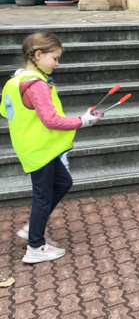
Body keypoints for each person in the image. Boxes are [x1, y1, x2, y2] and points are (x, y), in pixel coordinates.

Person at [0, 32, 102, 263]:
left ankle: (34, 228)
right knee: (43, 197)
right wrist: (82, 121)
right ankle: (35, 246)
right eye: (55, 58)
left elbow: (5, 112)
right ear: (38, 55)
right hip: (40, 150)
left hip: (37, 147)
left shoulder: (16, 81)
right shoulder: (35, 84)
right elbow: (51, 120)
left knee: (63, 183)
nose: (57, 63)